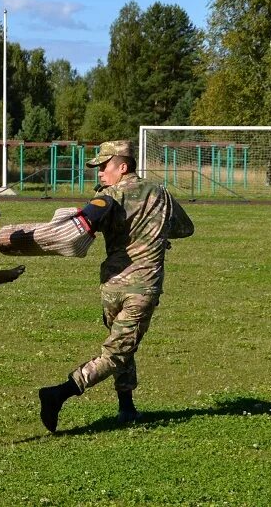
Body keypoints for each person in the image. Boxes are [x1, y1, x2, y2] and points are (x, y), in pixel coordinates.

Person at [38, 140, 194, 433]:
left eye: (104, 166)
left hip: (111, 286)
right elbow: (186, 227)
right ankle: (59, 393)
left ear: (123, 167)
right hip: (142, 286)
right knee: (117, 352)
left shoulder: (107, 198)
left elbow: (80, 230)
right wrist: (155, 234)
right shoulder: (159, 192)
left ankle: (126, 407)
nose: (99, 173)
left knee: (124, 345)